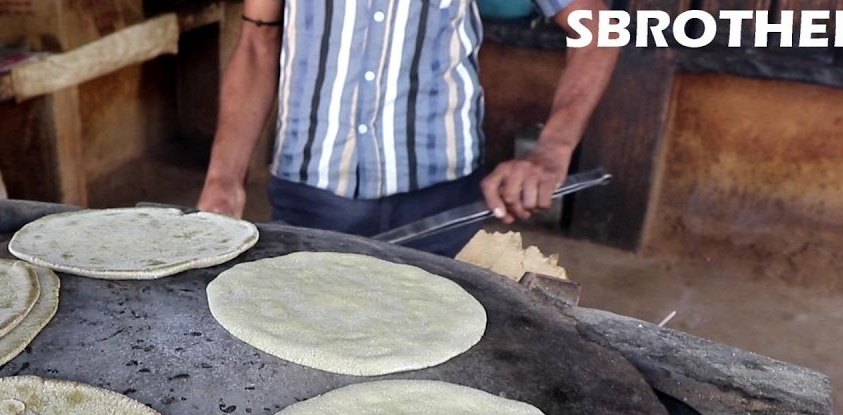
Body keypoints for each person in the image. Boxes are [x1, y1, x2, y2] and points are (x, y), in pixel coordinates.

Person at [196, 0, 618, 257]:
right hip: (308, 199)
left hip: (441, 210)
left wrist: (551, 150)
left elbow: (598, 29)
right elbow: (257, 42)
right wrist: (223, 178)